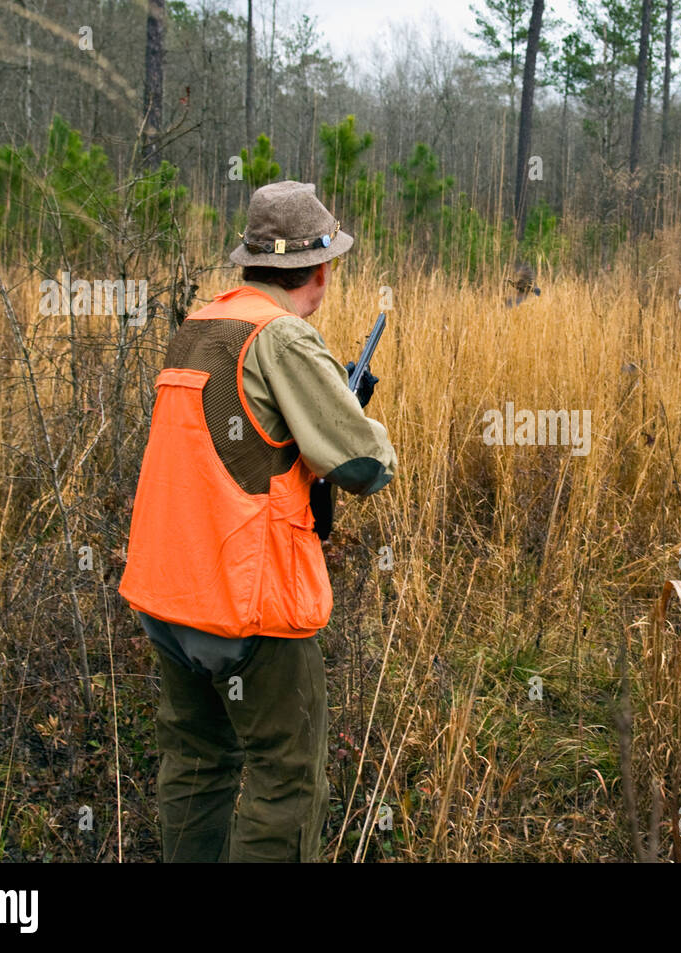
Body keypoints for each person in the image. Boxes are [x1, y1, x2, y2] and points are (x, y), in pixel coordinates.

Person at [118, 180, 396, 862]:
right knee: (286, 779)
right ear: (322, 270)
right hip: (249, 610)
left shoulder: (197, 327)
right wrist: (358, 420)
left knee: (195, 764)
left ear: (250, 262)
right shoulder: (285, 338)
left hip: (169, 600)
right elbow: (364, 464)